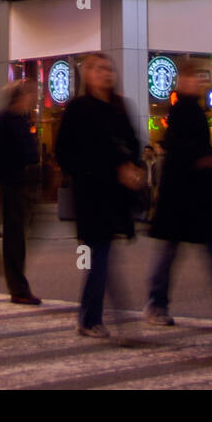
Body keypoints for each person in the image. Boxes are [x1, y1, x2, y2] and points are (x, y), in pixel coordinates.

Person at [144, 61, 212, 328]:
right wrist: (206, 161)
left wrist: (208, 162)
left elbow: (183, 151)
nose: (197, 84)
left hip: (189, 197)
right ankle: (159, 302)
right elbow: (182, 151)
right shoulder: (183, 110)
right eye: (192, 79)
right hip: (184, 197)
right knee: (181, 253)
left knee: (197, 252)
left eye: (199, 80)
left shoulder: (192, 111)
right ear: (181, 82)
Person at [56, 52, 143, 339]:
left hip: (114, 195)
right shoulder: (78, 109)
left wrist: (132, 166)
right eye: (99, 69)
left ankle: (95, 316)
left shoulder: (119, 106)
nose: (106, 74)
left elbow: (132, 143)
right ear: (88, 75)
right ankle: (96, 317)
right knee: (100, 255)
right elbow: (64, 152)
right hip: (91, 195)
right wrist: (93, 171)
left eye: (109, 69)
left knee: (102, 256)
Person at [0, 81, 41, 304]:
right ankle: (18, 287)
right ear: (19, 97)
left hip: (22, 184)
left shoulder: (22, 119)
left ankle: (2, 265)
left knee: (23, 232)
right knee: (15, 235)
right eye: (29, 95)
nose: (33, 99)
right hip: (10, 184)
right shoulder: (4, 119)